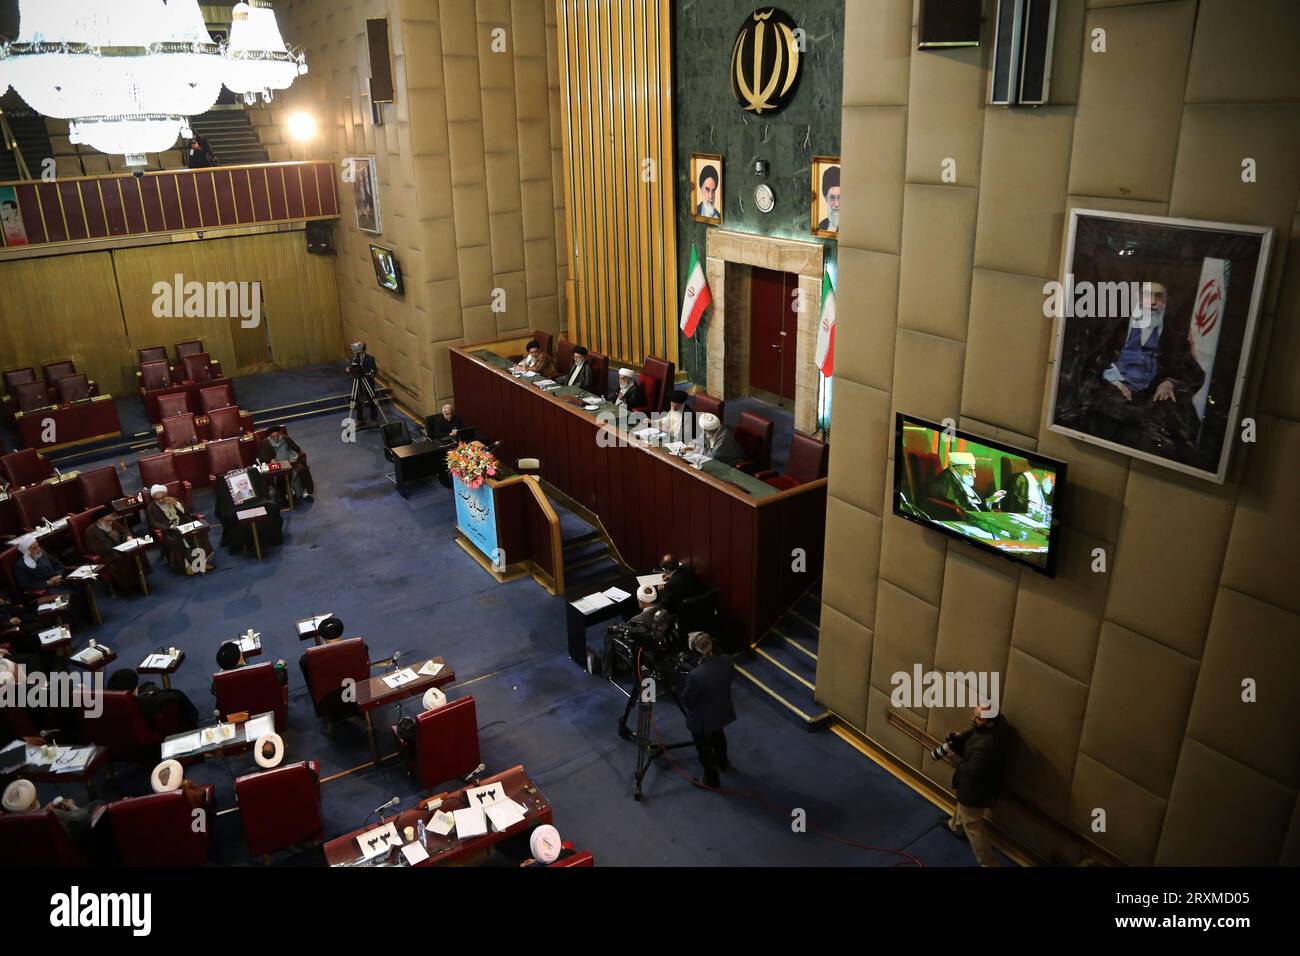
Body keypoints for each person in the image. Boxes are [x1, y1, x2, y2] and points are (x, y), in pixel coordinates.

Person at [1082, 281, 1205, 454]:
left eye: (1159, 297)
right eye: (1148, 295)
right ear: (1137, 297)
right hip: (1113, 391)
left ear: (1166, 301)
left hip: (1152, 395)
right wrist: (1114, 380)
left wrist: (1169, 382)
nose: (1153, 302)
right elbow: (1092, 360)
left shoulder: (1173, 333)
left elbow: (1192, 372)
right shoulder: (1114, 325)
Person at [941, 701, 1011, 867]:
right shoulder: (998, 723)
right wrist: (961, 737)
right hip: (982, 784)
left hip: (976, 789)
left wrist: (955, 758)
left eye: (978, 718)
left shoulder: (985, 746)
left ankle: (989, 864)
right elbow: (975, 731)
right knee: (963, 808)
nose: (973, 719)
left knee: (973, 824)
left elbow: (971, 772)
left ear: (990, 723)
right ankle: (956, 826)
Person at [680, 633, 735, 789]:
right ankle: (723, 763)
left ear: (695, 651)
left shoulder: (695, 675)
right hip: (722, 709)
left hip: (702, 720)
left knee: (704, 750)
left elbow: (687, 700)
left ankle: (711, 780)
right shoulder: (727, 661)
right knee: (719, 736)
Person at [2, 779, 105, 852]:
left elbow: (28, 816)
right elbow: (83, 819)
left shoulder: (6, 823)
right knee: (97, 804)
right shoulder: (52, 816)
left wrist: (43, 811)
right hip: (70, 845)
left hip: (39, 852)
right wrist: (72, 806)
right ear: (32, 804)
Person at [146, 484, 216, 574]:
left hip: (184, 524)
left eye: (162, 497)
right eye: (157, 499)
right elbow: (153, 522)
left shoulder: (173, 500)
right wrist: (169, 527)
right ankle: (187, 566)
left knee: (198, 535)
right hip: (169, 530)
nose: (160, 500)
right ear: (153, 498)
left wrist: (176, 503)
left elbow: (187, 511)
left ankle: (203, 562)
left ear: (166, 494)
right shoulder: (151, 508)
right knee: (178, 541)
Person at [82, 506, 151, 595]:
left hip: (123, 547)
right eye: (108, 521)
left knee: (138, 551)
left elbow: (125, 531)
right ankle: (129, 586)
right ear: (99, 521)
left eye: (111, 520)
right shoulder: (91, 532)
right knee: (123, 561)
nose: (111, 522)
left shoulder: (111, 523)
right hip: (109, 556)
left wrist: (128, 537)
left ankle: (141, 579)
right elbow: (98, 549)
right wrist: (116, 541)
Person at [106, 667, 199, 734]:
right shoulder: (147, 702)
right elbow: (175, 696)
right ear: (134, 687)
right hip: (152, 741)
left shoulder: (109, 708)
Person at [927, 452, 1006, 515]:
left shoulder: (962, 481)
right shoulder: (945, 483)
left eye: (974, 471)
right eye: (970, 470)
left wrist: (991, 499)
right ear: (958, 468)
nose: (974, 476)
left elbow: (973, 504)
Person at [257, 424, 315, 502]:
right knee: (288, 474)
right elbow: (262, 458)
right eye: (273, 437)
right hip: (278, 466)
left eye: (277, 436)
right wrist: (270, 460)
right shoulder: (265, 443)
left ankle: (304, 493)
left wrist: (295, 457)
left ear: (279, 434)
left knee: (301, 470)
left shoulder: (285, 438)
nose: (276, 438)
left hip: (291, 462)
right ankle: (291, 493)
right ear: (270, 436)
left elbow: (296, 448)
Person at [346, 342, 380, 426]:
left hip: (368, 382)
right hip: (357, 383)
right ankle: (360, 419)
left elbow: (374, 370)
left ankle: (374, 419)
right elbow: (353, 368)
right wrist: (349, 369)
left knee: (371, 400)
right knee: (357, 401)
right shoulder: (353, 358)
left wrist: (369, 374)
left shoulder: (370, 358)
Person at [817, 165, 841, 233]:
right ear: (826, 199)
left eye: (840, 198)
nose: (836, 204)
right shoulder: (820, 226)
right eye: (832, 198)